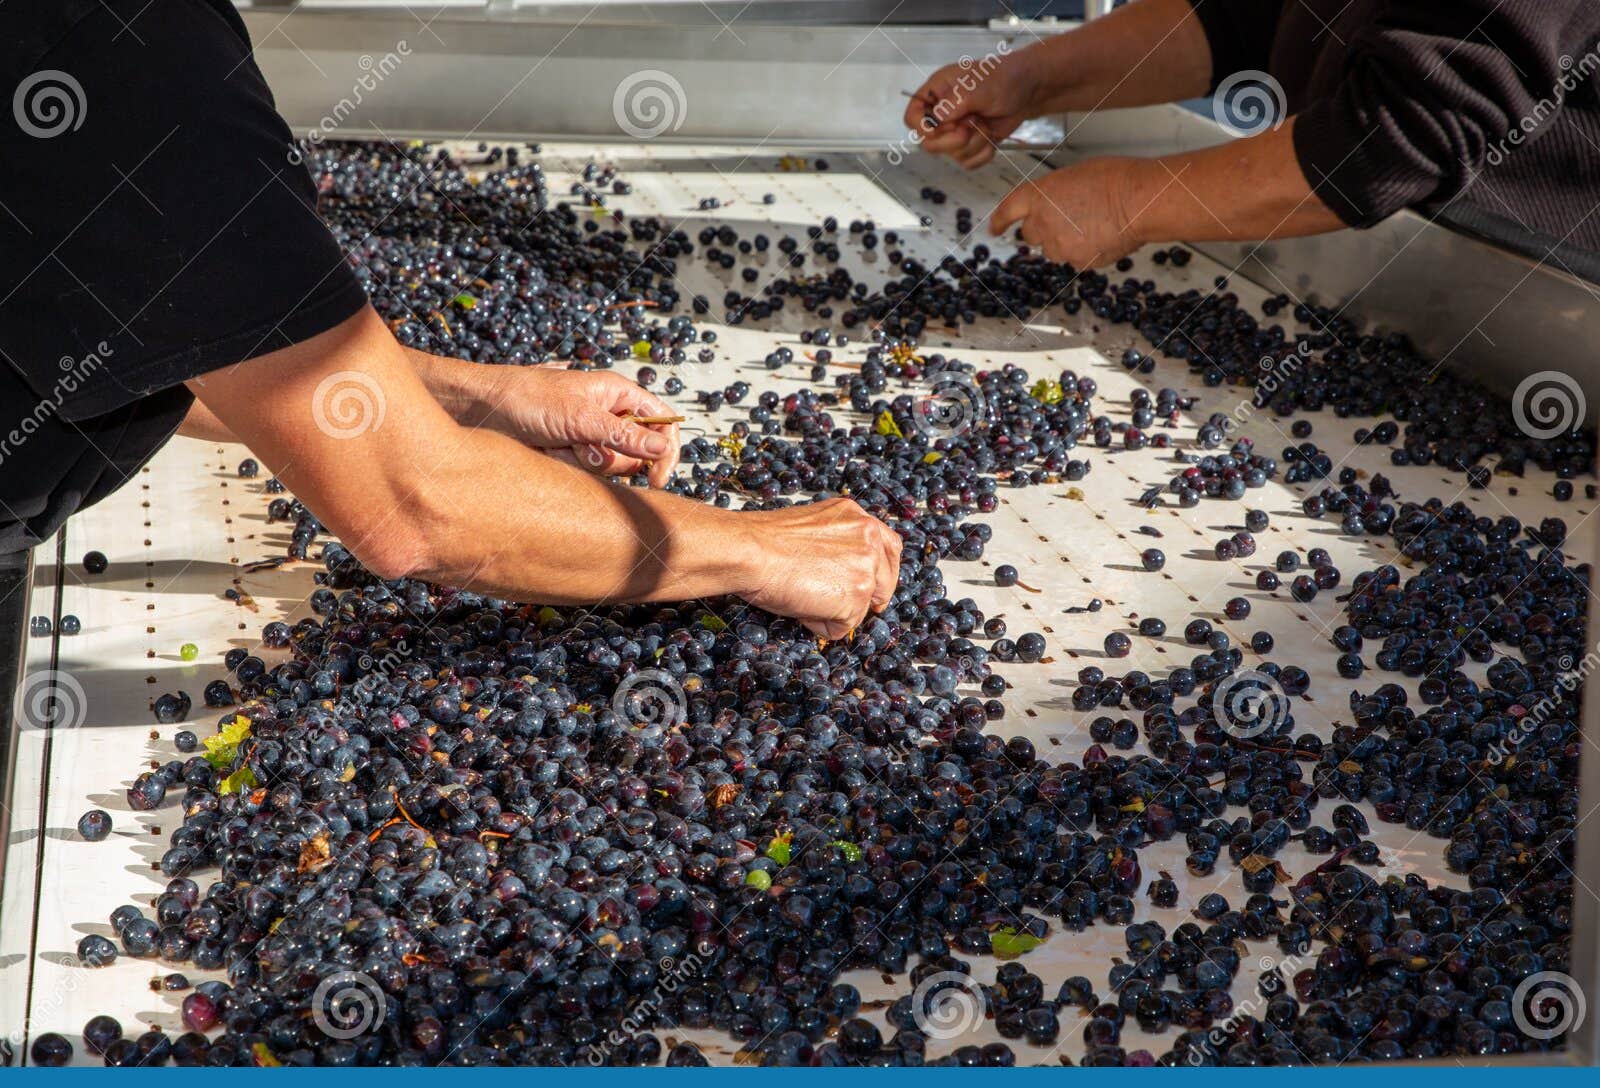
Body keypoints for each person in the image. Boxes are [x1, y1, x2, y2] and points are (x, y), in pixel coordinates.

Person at [0, 0, 899, 640]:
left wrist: (479, 396)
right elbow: (413, 509)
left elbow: (171, 342)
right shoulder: (128, 54)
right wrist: (754, 547)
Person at [907, 0, 1600, 271]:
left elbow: (1396, 134)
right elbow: (1257, 19)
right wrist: (1032, 78)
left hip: (1549, 312)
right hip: (1390, 276)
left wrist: (1126, 202)